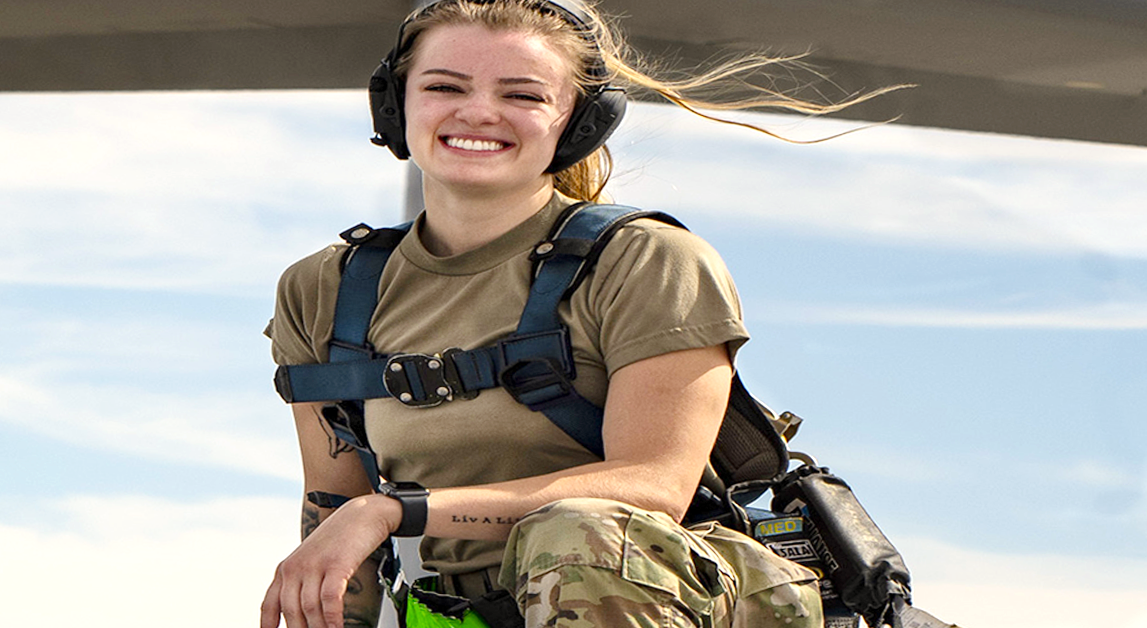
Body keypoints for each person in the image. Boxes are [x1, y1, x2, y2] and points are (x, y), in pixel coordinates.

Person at [260, 1, 892, 627]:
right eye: (444, 86)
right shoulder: (325, 289)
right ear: (396, 106)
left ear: (580, 122)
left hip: (663, 590)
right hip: (469, 609)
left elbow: (655, 485)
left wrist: (396, 511)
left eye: (523, 96)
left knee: (578, 534)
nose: (478, 112)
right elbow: (334, 508)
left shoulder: (645, 260)